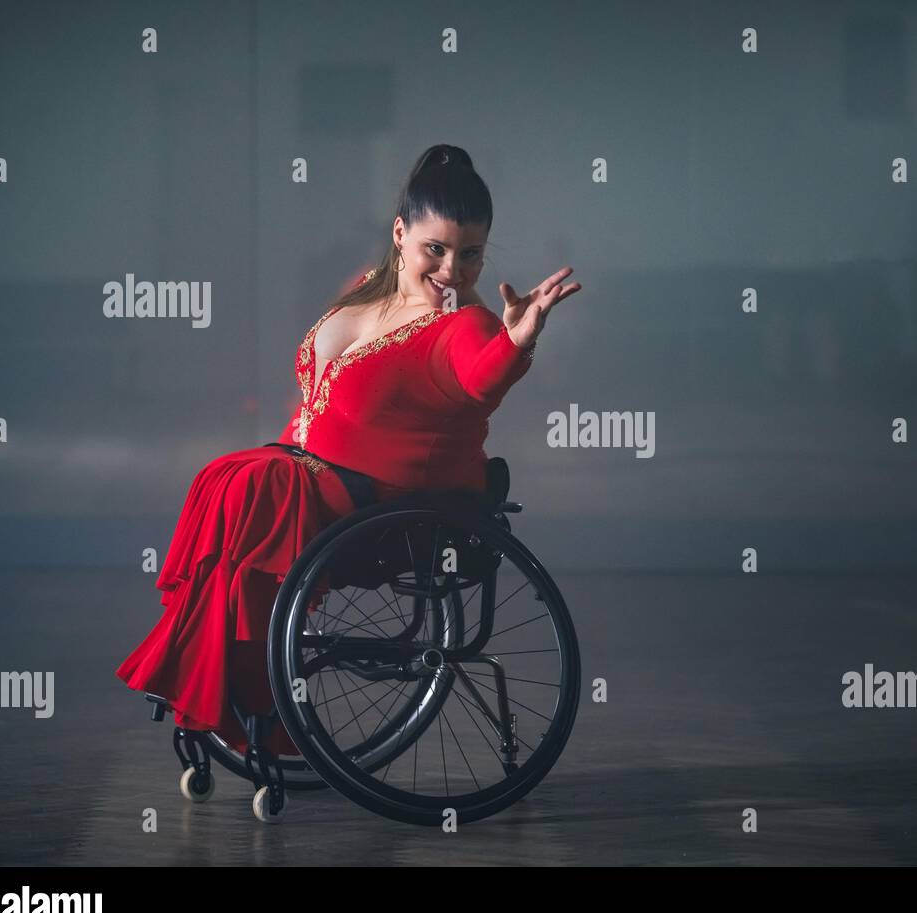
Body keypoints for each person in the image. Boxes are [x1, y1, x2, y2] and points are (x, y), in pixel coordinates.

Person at [116, 144, 581, 756]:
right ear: (400, 235)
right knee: (226, 476)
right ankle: (221, 686)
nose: (451, 271)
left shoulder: (467, 325)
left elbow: (479, 379)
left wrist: (517, 341)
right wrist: (287, 451)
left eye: (469, 255)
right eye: (434, 250)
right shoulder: (366, 290)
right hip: (316, 468)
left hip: (387, 493)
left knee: (255, 486)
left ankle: (255, 703)